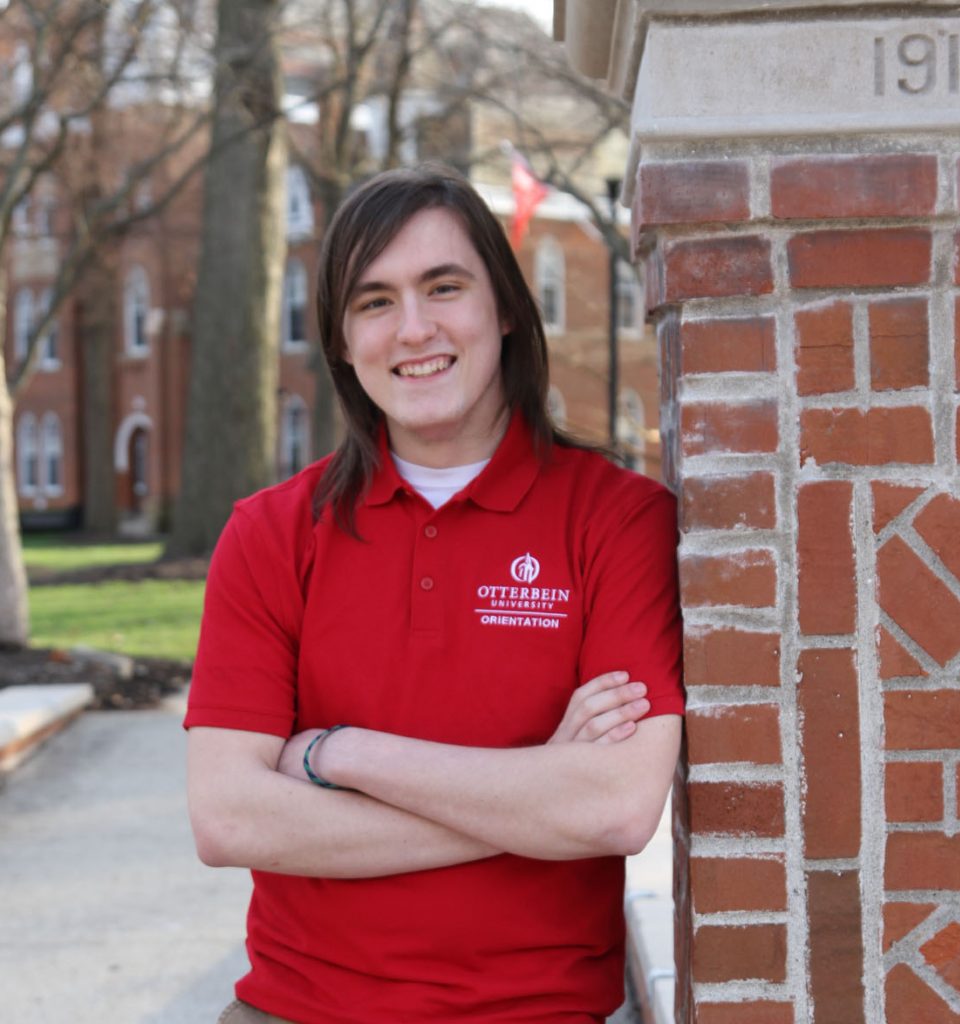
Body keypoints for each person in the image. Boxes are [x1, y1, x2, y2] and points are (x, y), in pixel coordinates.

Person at [185, 165, 684, 1024]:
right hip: (295, 1012)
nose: (413, 329)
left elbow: (613, 808)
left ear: (506, 309)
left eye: (444, 287)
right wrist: (534, 796)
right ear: (343, 341)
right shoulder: (271, 533)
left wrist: (342, 754)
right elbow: (229, 819)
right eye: (374, 301)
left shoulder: (619, 520)